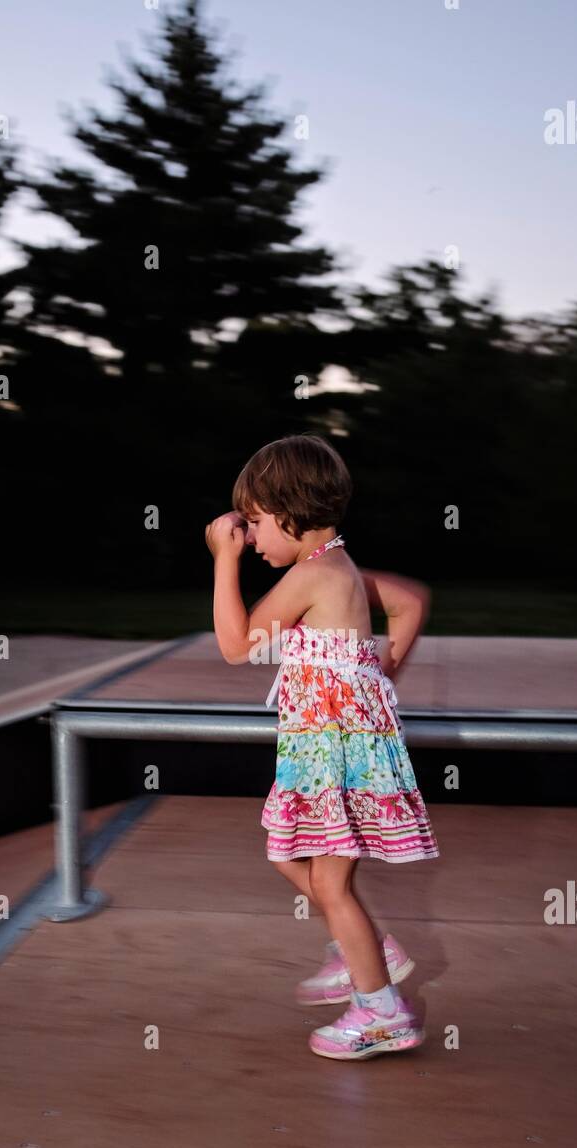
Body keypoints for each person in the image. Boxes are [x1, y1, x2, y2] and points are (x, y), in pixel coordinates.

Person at [205, 433, 439, 1060]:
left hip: (332, 755)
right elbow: (411, 601)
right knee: (288, 855)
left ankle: (380, 1011)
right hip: (333, 748)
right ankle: (364, 950)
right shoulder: (341, 570)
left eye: (254, 524)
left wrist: (221, 560)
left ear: (289, 513)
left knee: (330, 885)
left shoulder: (316, 575)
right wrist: (373, 672)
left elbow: (236, 646)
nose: (250, 539)